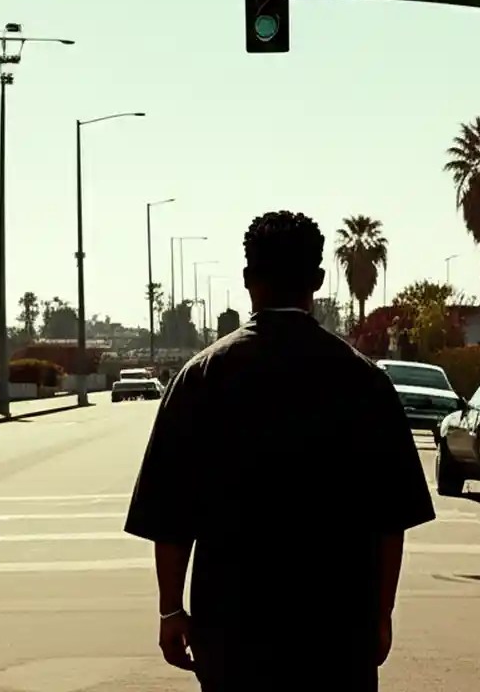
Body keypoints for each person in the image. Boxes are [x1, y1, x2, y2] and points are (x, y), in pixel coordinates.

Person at [124, 210, 436, 691]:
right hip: (336, 629)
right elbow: (390, 518)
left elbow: (169, 514)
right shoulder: (363, 381)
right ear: (317, 280)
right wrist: (381, 613)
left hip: (232, 628)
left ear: (248, 279)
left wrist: (171, 610)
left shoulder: (201, 378)